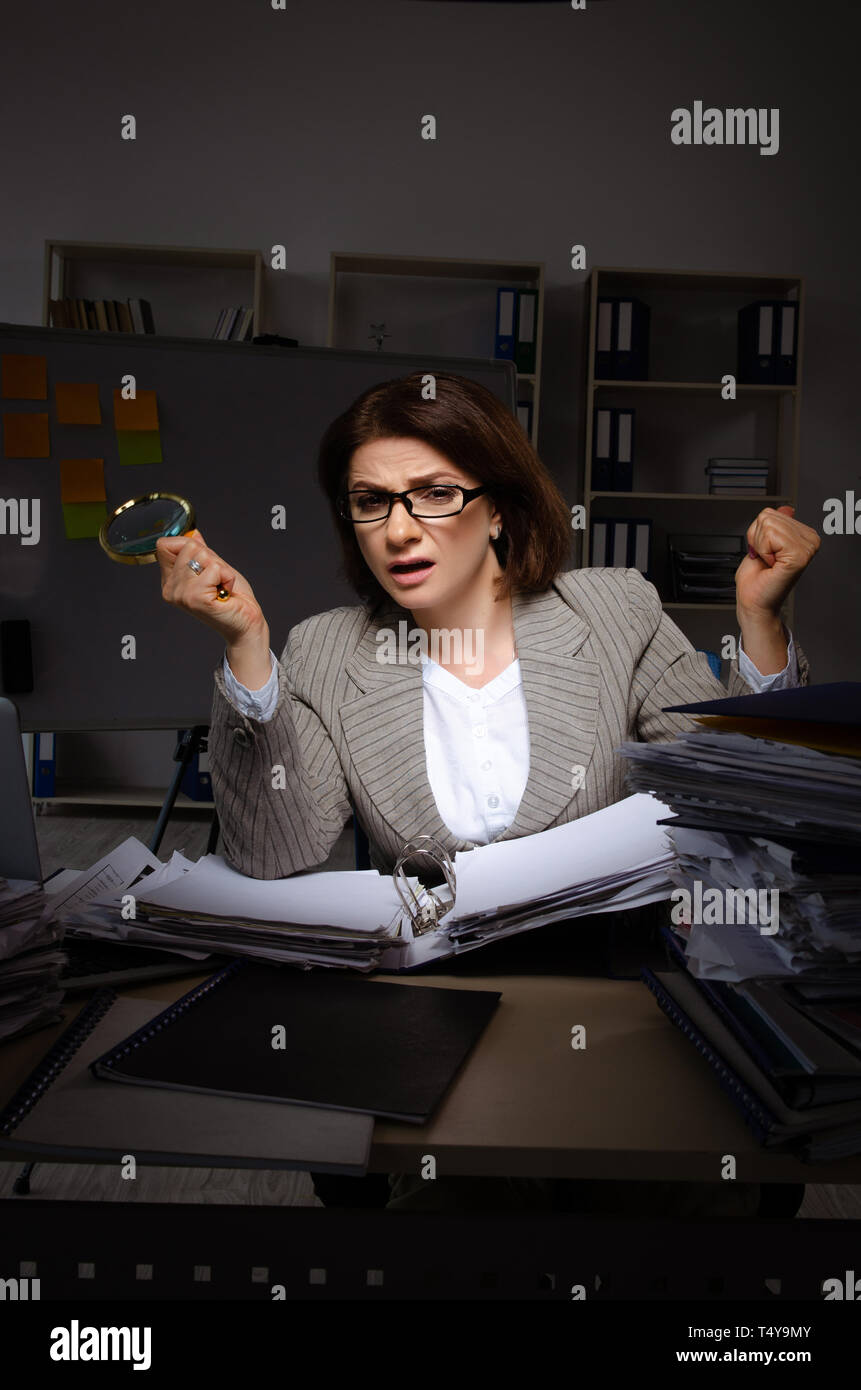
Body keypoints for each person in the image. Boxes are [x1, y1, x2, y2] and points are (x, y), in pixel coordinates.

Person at [156, 371, 820, 1215]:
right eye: (370, 502)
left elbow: (741, 808)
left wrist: (759, 625)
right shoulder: (324, 649)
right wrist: (248, 648)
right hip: (430, 1008)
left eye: (434, 494)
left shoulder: (612, 610)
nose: (399, 530)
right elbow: (273, 854)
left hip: (617, 1001)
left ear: (499, 507)